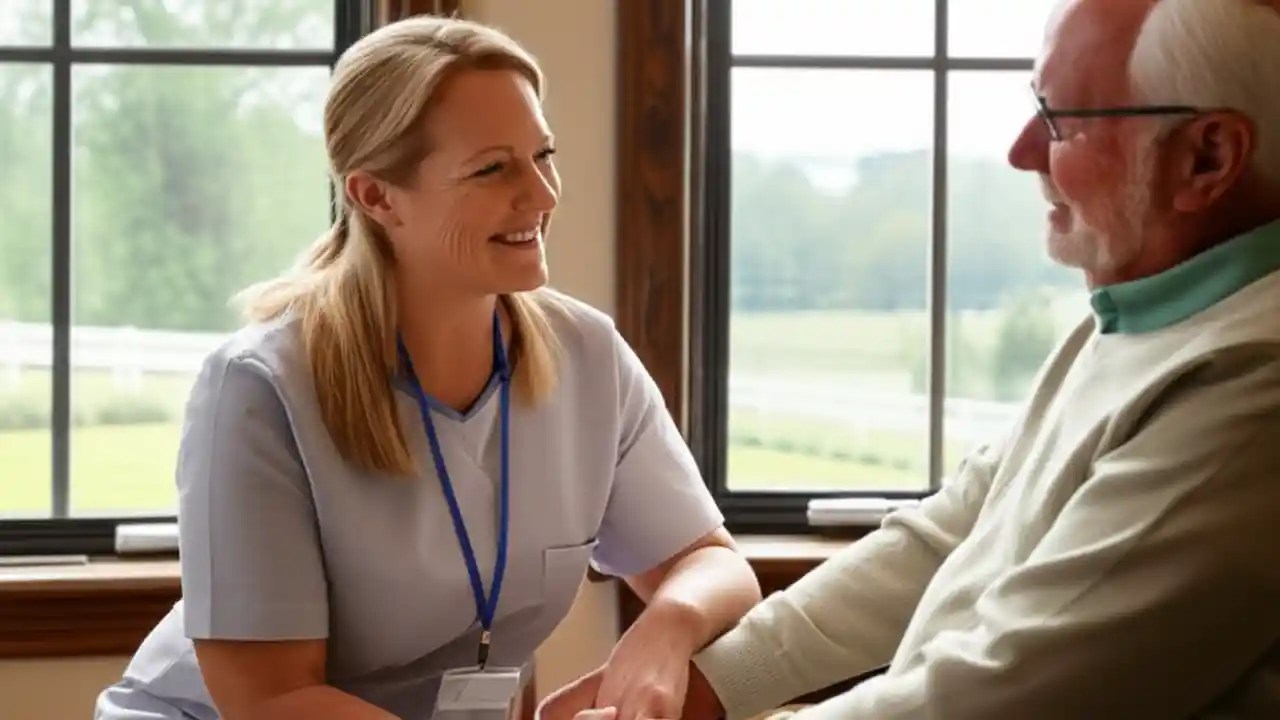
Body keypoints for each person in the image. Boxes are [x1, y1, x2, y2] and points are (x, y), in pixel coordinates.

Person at [540, 0, 1280, 718]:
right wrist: (713, 685)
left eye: (1061, 121)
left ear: (1207, 157)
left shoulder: (1249, 380)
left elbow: (1008, 691)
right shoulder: (1134, 321)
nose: (1022, 151)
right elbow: (946, 534)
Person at [94, 15, 761, 720]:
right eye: (493, 168)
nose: (541, 194)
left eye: (544, 154)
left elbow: (712, 564)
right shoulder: (259, 389)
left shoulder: (589, 357)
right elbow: (272, 698)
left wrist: (664, 630)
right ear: (376, 196)